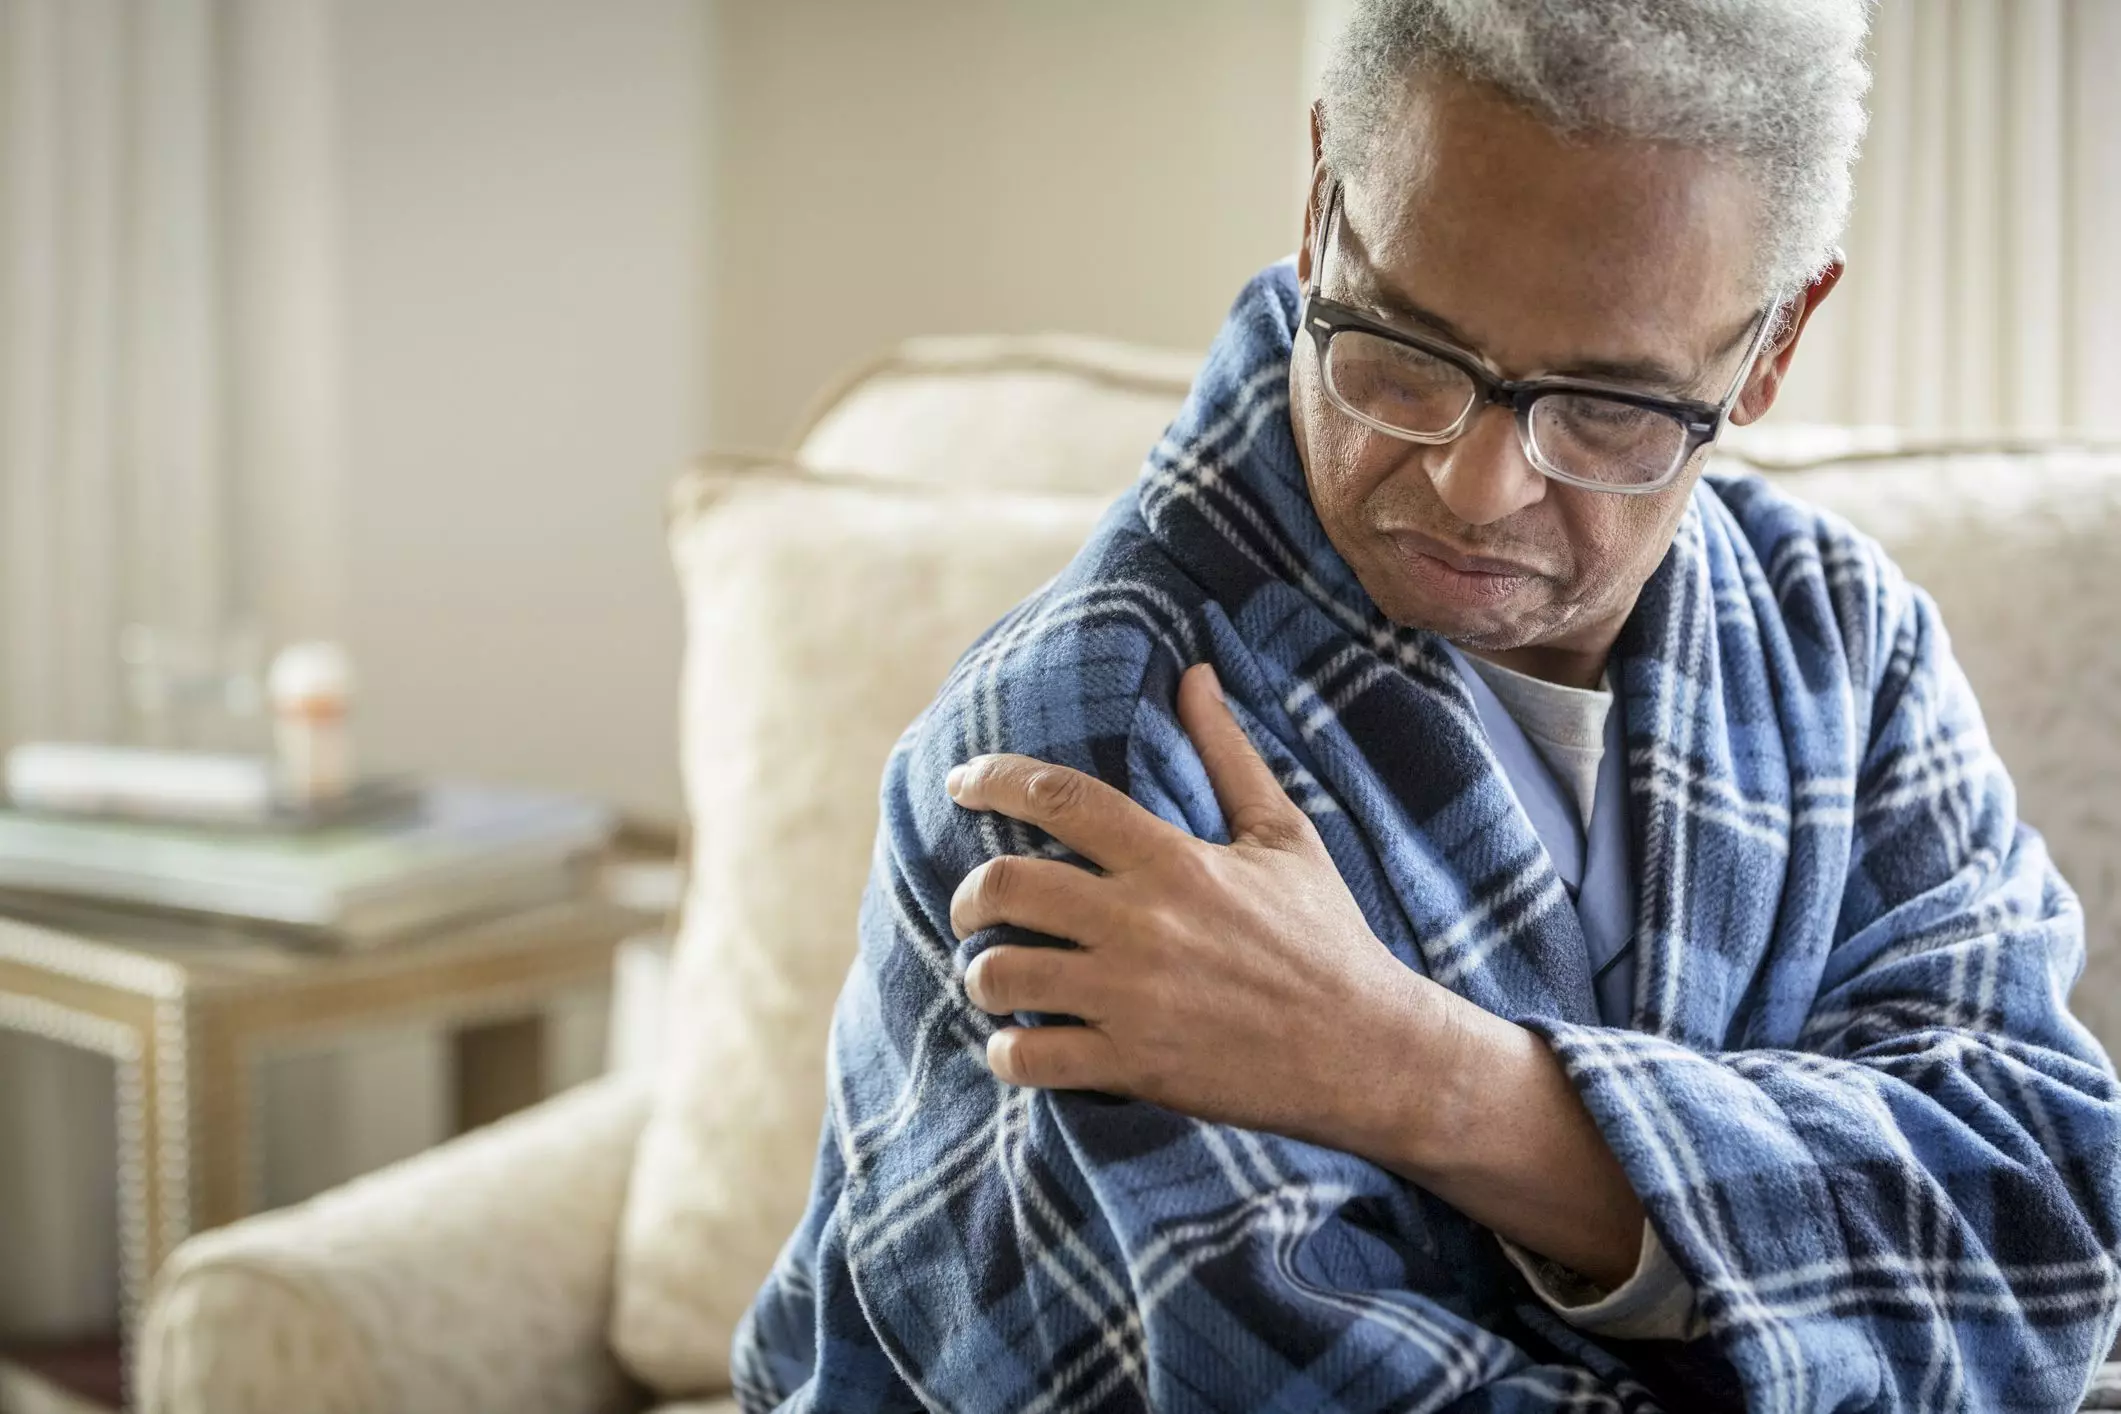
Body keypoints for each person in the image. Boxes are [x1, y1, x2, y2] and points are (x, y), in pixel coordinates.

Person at [734, 2, 2121, 1408]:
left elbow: (2052, 1226)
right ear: (1324, 198)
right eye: (1405, 349)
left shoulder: (1838, 631)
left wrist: (1421, 1073)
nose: (1477, 483)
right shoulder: (1086, 741)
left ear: (1772, 343)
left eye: (1605, 406)